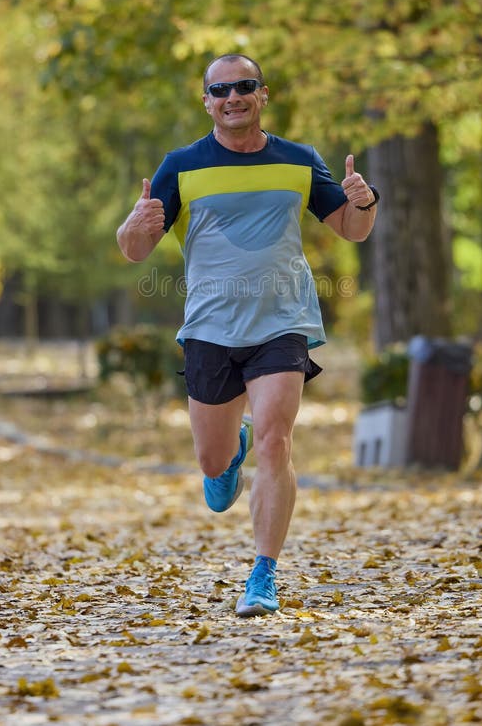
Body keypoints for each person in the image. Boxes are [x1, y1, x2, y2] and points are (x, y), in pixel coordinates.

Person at [117, 53, 379, 617]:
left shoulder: (299, 160)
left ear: (263, 93)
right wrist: (131, 228)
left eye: (244, 86)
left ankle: (263, 574)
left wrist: (366, 202)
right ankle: (227, 453)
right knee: (212, 462)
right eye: (220, 90)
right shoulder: (182, 165)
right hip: (211, 327)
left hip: (283, 321)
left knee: (277, 439)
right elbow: (137, 248)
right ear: (207, 101)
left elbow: (352, 230)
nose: (232, 97)